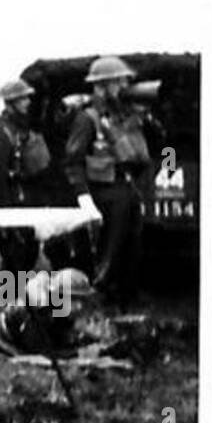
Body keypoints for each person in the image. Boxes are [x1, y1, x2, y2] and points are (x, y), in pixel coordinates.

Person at [64, 55, 152, 307]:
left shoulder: (126, 115)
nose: (125, 86)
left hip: (127, 189)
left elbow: (156, 146)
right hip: (104, 192)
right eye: (119, 82)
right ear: (102, 86)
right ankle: (98, 304)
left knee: (131, 249)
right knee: (108, 254)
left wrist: (147, 120)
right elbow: (73, 160)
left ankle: (126, 302)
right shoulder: (87, 118)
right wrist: (84, 198)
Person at [0, 77, 50, 276]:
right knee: (15, 254)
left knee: (29, 251)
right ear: (11, 103)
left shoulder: (21, 128)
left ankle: (22, 301)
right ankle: (10, 301)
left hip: (27, 198)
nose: (28, 103)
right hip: (11, 200)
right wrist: (5, 213)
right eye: (23, 99)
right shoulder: (2, 132)